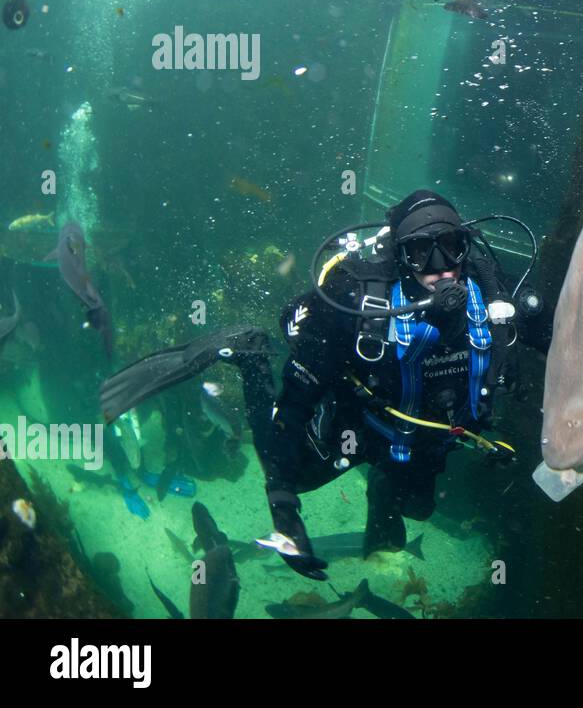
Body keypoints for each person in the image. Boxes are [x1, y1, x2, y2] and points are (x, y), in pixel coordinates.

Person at [98, 189, 549, 581]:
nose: (441, 269)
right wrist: (284, 514)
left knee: (420, 509)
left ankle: (384, 489)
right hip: (362, 429)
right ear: (400, 257)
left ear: (466, 247)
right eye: (420, 253)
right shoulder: (356, 309)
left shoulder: (491, 301)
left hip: (428, 439)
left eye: (451, 247)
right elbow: (294, 408)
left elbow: (557, 338)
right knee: (292, 473)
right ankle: (249, 356)